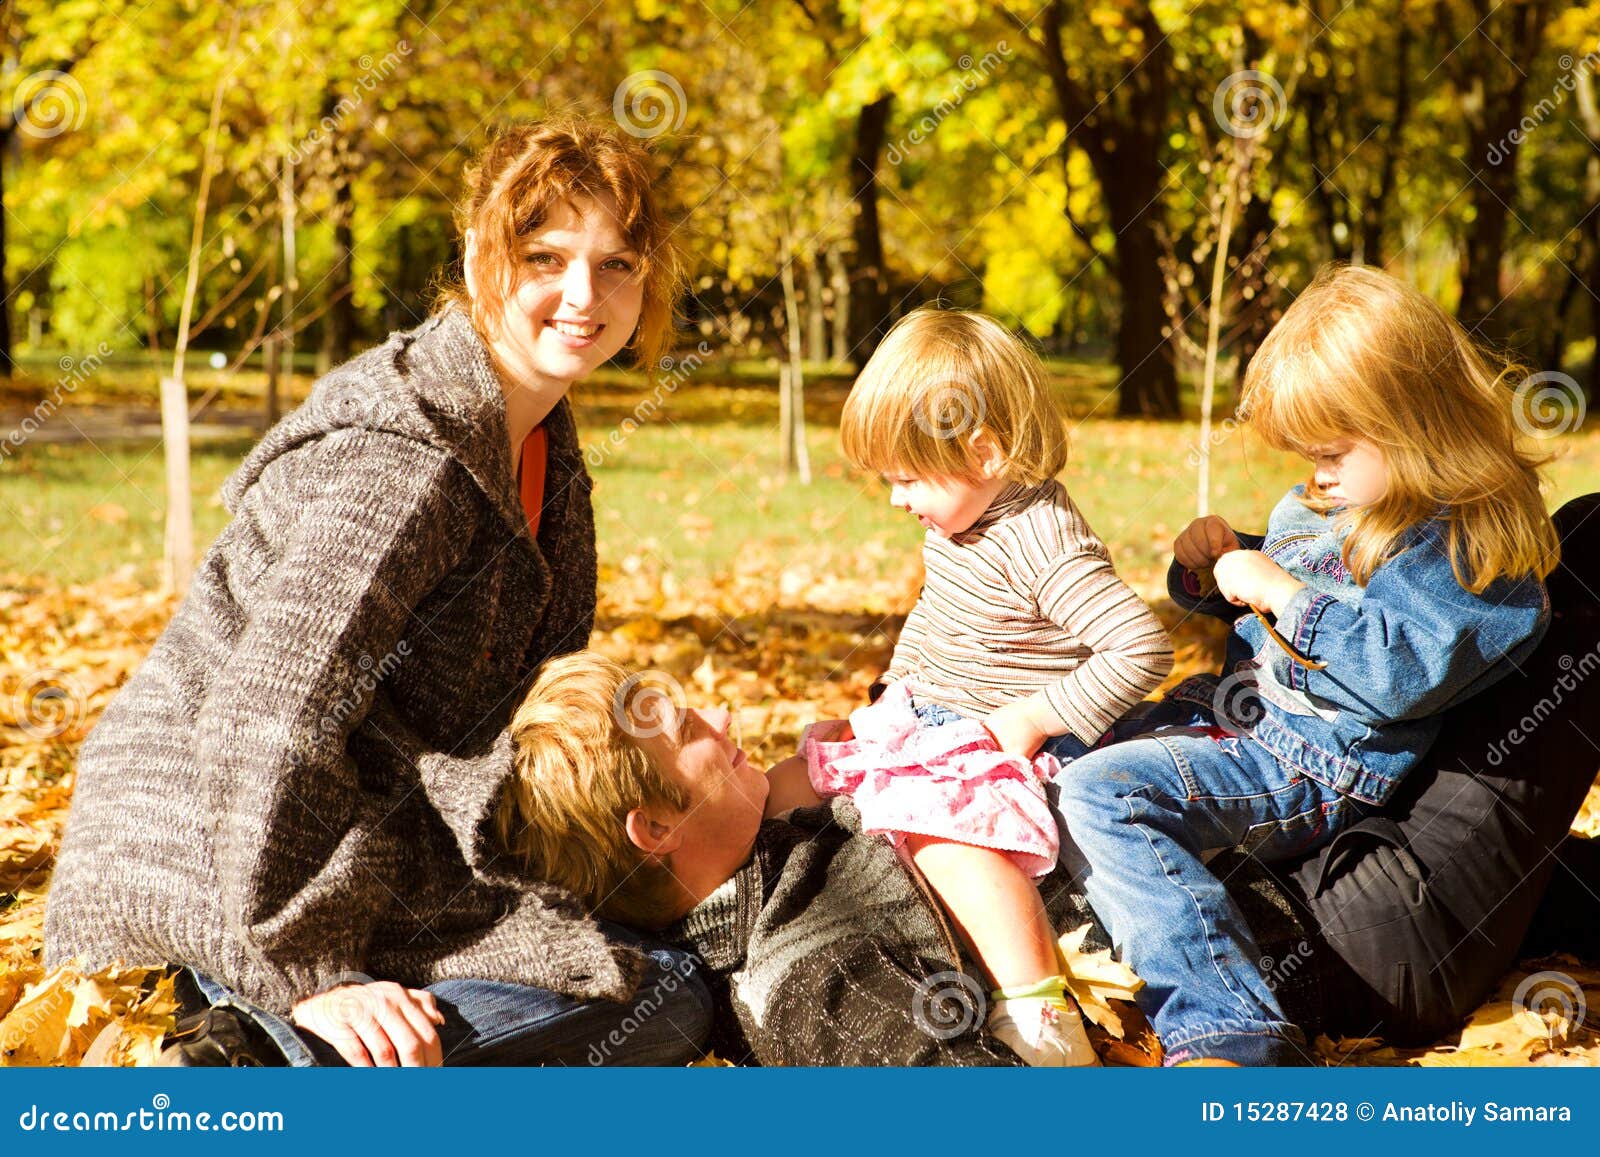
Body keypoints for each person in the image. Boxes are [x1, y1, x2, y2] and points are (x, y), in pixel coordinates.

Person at [43, 115, 712, 1067]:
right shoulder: (408, 461)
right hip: (208, 858)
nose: (582, 294)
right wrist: (315, 971)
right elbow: (271, 710)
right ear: (483, 260)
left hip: (361, 841)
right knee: (666, 995)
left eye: (616, 265)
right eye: (547, 255)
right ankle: (247, 1065)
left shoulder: (539, 447)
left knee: (659, 976)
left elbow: (510, 727)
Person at [1054, 264, 1560, 1066]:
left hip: (1308, 763)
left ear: (1416, 422)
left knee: (1102, 792)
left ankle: (1229, 1028)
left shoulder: (1465, 554)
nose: (1317, 475)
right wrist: (1218, 567)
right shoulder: (1339, 503)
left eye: (1332, 451)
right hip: (1237, 711)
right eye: (1308, 455)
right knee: (1059, 754)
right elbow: (1296, 583)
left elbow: (1396, 671)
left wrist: (1284, 594)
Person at [767, 308, 1174, 1065]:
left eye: (908, 477)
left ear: (983, 450)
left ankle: (1041, 1016)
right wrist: (886, 699)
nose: (896, 498)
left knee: (950, 841)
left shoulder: (1040, 538)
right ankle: (745, 905)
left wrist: (1038, 714)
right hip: (931, 718)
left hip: (992, 740)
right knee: (790, 779)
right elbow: (935, 616)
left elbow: (1141, 645)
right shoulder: (957, 524)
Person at [498, 650, 1043, 1065]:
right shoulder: (816, 978)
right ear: (659, 829)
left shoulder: (770, 837)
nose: (723, 714)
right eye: (688, 728)